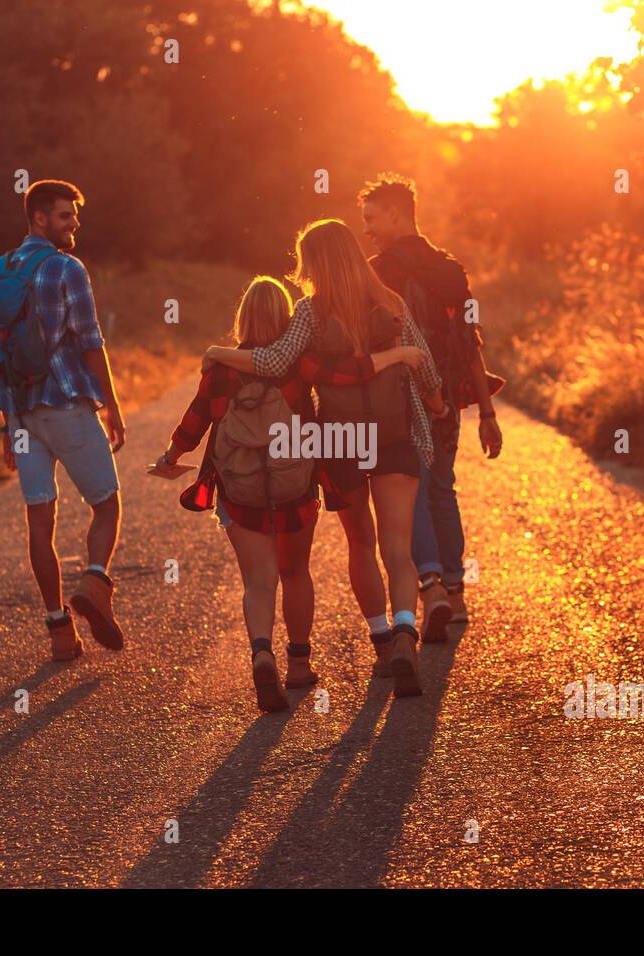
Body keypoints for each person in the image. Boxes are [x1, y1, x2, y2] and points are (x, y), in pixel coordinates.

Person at [204, 220, 447, 698]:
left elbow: (274, 362)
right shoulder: (392, 304)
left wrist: (218, 352)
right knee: (397, 548)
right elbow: (427, 370)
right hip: (395, 438)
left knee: (362, 543)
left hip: (339, 442)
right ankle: (404, 634)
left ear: (314, 263)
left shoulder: (310, 314)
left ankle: (380, 641)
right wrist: (436, 406)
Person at [159, 276, 425, 711]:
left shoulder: (220, 367)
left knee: (258, 581)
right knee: (295, 572)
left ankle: (262, 653)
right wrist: (397, 356)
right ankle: (299, 665)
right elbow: (346, 374)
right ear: (286, 318)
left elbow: (195, 420)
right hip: (294, 486)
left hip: (239, 490)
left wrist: (170, 456)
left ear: (242, 316)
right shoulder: (299, 362)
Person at [358, 174, 505, 641]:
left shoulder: (376, 272)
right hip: (447, 402)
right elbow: (469, 343)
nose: (367, 230)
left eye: (372, 219)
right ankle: (456, 596)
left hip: (398, 402)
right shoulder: (451, 270)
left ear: (398, 214)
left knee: (410, 495)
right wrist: (486, 412)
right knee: (443, 489)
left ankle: (431, 587)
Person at [0, 179, 127, 661]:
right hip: (66, 405)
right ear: (40, 218)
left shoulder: (1, 269)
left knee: (39, 521)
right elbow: (91, 342)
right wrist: (111, 405)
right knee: (106, 503)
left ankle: (58, 630)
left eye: (75, 215)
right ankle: (94, 581)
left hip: (23, 415)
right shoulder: (67, 268)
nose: (74, 224)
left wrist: (8, 426)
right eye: (65, 216)